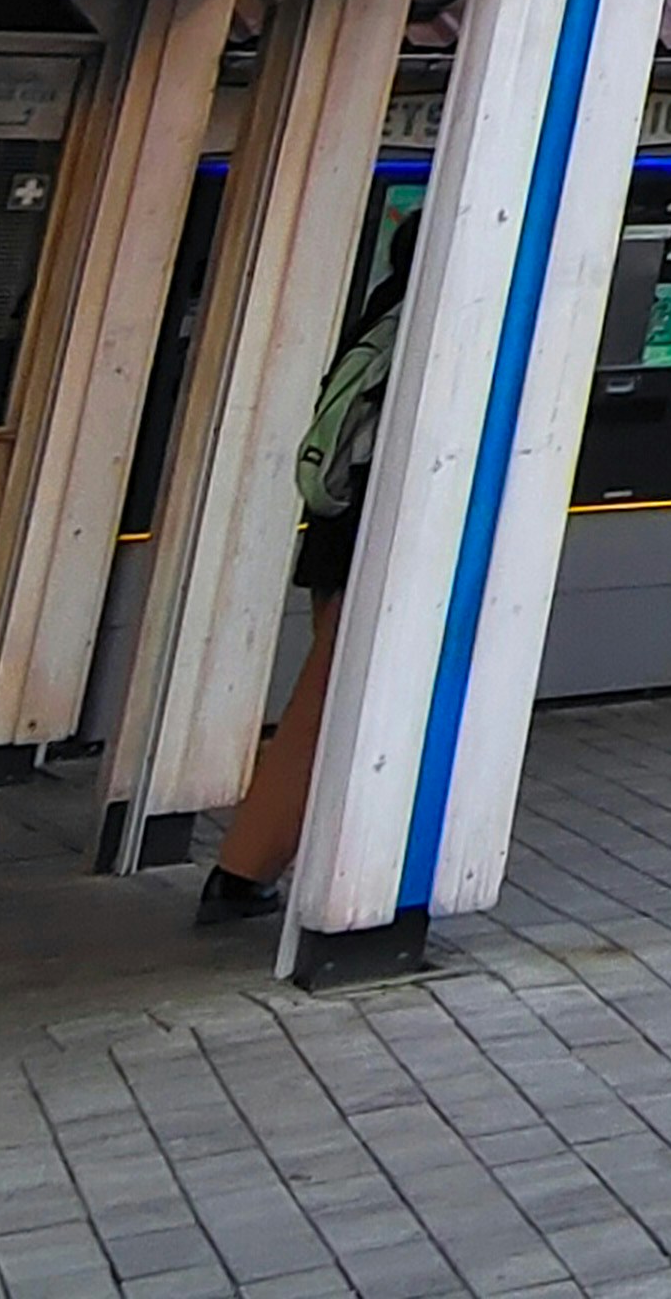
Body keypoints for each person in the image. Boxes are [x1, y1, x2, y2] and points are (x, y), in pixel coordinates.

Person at [199, 222, 413, 925]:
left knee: (323, 710)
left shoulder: (379, 315)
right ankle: (246, 874)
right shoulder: (420, 331)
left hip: (336, 538)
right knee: (327, 716)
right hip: (374, 542)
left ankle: (257, 867)